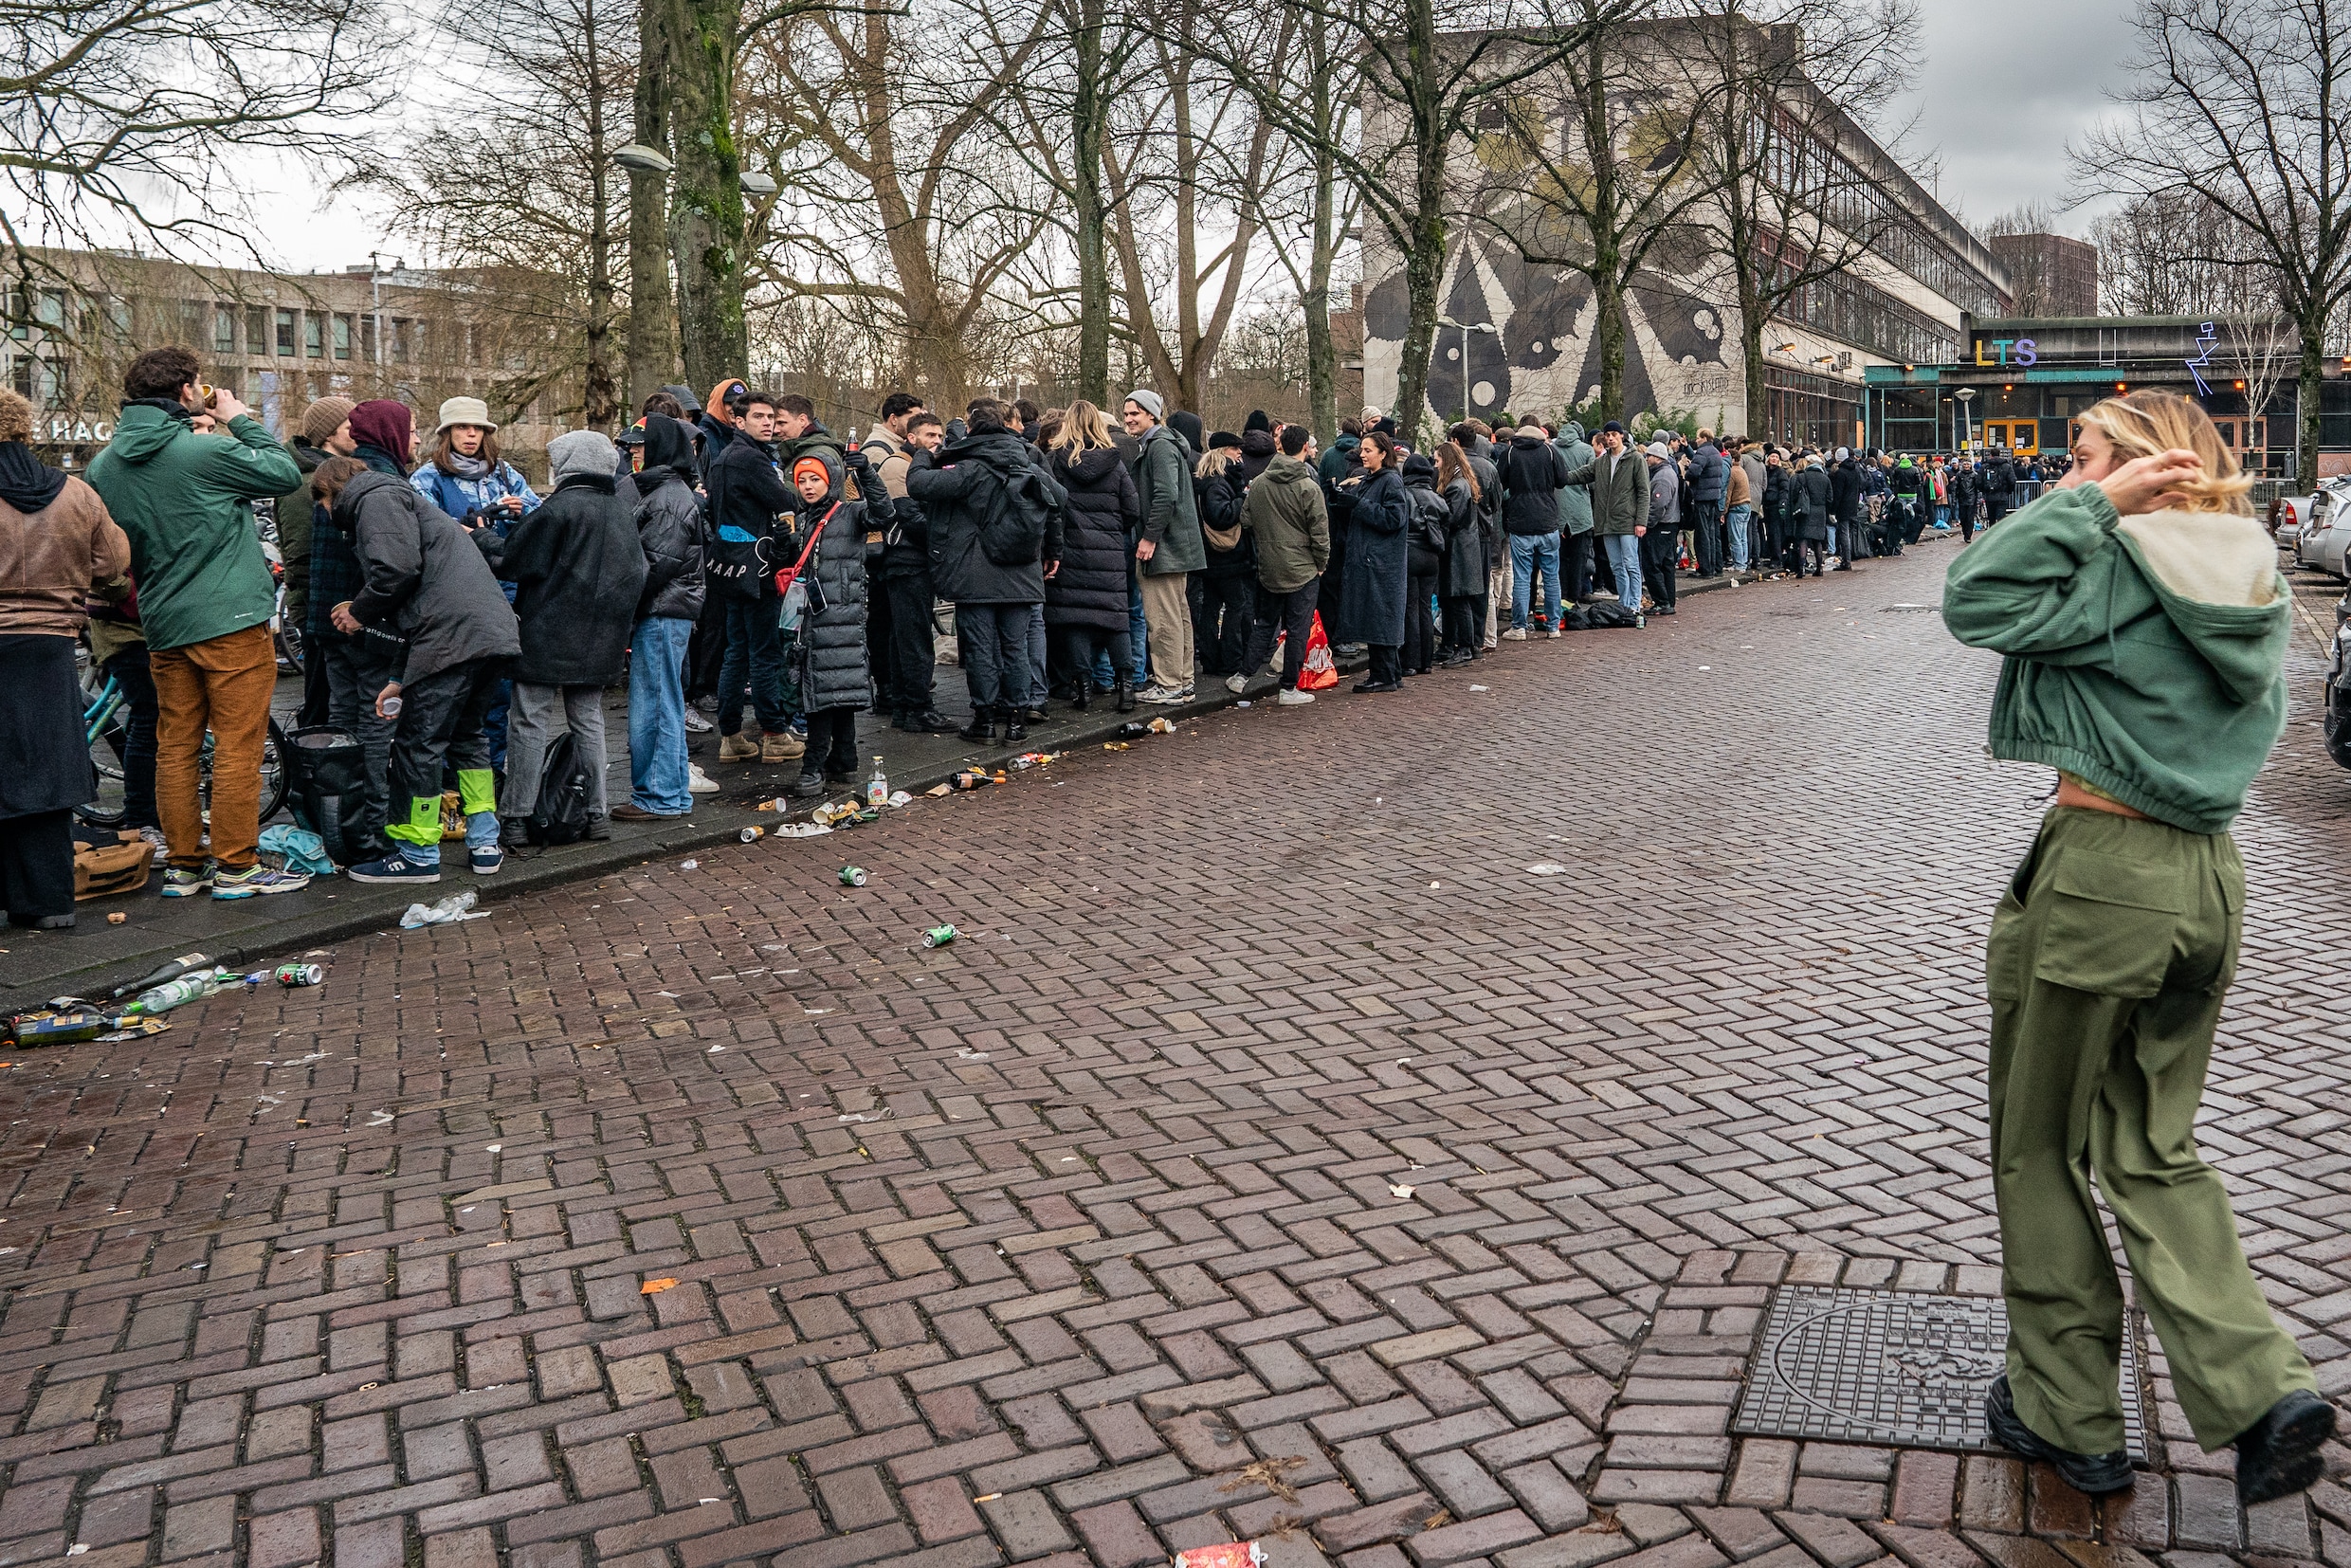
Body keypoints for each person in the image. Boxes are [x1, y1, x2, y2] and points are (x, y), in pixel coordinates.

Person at [1942, 389, 2334, 1505]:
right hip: (2206, 879)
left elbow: (1973, 596)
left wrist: (2084, 508)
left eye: (2085, 455)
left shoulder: (2120, 565)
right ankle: (2260, 1394)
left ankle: (2067, 1413)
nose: (2067, 474)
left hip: (2102, 867)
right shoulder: (2245, 566)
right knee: (2150, 1146)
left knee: (2035, 1145)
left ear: (2145, 466)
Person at [83, 346, 309, 899]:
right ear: (187, 392)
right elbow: (285, 473)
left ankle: (185, 864)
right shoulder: (200, 453)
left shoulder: (102, 466)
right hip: (230, 618)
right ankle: (237, 865)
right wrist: (239, 421)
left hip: (161, 620)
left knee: (175, 743)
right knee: (237, 744)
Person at [323, 461, 519, 884]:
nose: (324, 510)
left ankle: (417, 852)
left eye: (321, 500)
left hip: (450, 638)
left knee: (418, 745)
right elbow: (420, 599)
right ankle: (485, 842)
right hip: (487, 634)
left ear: (333, 490)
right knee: (468, 737)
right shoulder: (403, 499)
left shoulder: (374, 500)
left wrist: (358, 612)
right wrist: (398, 678)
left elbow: (397, 572)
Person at [475, 430, 645, 851]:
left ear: (568, 464)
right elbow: (639, 571)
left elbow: (515, 561)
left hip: (547, 633)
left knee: (529, 721)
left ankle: (516, 815)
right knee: (588, 720)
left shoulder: (560, 508)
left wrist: (480, 536)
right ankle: (596, 813)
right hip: (601, 635)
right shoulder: (621, 510)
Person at [0, 389, 131, 927]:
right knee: (46, 772)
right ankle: (50, 903)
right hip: (52, 645)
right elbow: (113, 563)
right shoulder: (76, 494)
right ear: (25, 430)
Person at [908, 398, 1063, 743]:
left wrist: (922, 451)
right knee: (1016, 647)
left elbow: (919, 485)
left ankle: (985, 721)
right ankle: (1017, 721)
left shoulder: (967, 467)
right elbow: (1057, 503)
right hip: (1022, 572)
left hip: (974, 573)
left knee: (980, 649)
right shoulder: (1028, 460)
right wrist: (1054, 551)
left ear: (972, 427)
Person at [706, 390, 804, 766]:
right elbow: (784, 502)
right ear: (739, 421)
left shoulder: (724, 459)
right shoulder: (752, 459)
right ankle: (774, 733)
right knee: (764, 652)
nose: (768, 423)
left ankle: (730, 735)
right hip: (759, 568)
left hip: (729, 565)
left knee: (737, 650)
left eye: (771, 417)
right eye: (759, 417)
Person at [622, 414, 706, 821]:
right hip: (669, 610)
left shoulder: (667, 498)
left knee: (655, 703)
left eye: (639, 445)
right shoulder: (668, 492)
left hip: (662, 610)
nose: (633, 452)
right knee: (665, 701)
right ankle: (670, 794)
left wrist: (621, 604)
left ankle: (658, 795)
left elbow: (655, 564)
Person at [785, 448, 875, 797]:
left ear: (832, 481)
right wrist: (783, 542)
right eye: (802, 481)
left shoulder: (850, 513)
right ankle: (843, 759)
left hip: (837, 617)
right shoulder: (805, 518)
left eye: (815, 480)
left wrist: (867, 475)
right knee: (837, 687)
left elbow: (884, 512)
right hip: (816, 617)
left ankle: (813, 767)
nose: (808, 486)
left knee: (823, 690)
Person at [1047, 399, 1141, 714]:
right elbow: (1132, 510)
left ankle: (1084, 690)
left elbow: (1050, 507)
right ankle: (1126, 688)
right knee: (1116, 620)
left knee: (1076, 621)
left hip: (1070, 551)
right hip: (1109, 552)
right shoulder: (1114, 464)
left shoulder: (1055, 463)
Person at [1234, 423, 1329, 705]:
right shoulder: (1308, 487)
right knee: (1298, 628)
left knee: (1265, 623)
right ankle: (1288, 687)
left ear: (1279, 446)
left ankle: (1242, 676)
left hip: (1269, 566)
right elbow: (1320, 532)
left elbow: (1246, 519)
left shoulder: (1260, 483)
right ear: (1304, 448)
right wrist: (1321, 563)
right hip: (1303, 567)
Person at [1123, 391, 1205, 703]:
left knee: (1163, 619)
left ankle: (1169, 684)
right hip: (1175, 546)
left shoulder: (1158, 448)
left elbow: (1165, 496)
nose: (1129, 419)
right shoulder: (1165, 446)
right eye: (1127, 413)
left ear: (1153, 416)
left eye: (1136, 413)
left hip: (1164, 548)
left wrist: (1149, 537)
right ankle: (1181, 681)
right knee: (1178, 615)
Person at [278, 395, 355, 723]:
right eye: (350, 426)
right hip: (321, 606)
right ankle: (309, 767)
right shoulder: (303, 482)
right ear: (328, 435)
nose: (358, 432)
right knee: (321, 698)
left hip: (335, 604)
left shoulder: (340, 473)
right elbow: (302, 554)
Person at [860, 392, 924, 722]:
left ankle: (891, 686)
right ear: (893, 419)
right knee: (884, 619)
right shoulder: (879, 451)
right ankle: (886, 686)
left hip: (883, 544)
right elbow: (871, 499)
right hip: (884, 546)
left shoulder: (891, 448)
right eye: (913, 415)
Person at [1338, 431, 1409, 691]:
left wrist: (1357, 505)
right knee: (1376, 616)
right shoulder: (1371, 480)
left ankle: (1385, 675)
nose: (1362, 455)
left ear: (1383, 453)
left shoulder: (1390, 481)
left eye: (1368, 450)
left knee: (1381, 617)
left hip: (1381, 563)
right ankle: (1387, 673)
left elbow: (1394, 519)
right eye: (1362, 450)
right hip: (1372, 560)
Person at [1562, 421, 1649, 616]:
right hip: (1607, 522)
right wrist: (1559, 477)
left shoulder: (1635, 459)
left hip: (1627, 521)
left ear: (1621, 436)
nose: (1610, 438)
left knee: (1631, 564)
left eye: (1614, 435)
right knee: (1617, 565)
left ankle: (1634, 604)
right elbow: (1582, 474)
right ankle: (1624, 603)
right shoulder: (1601, 462)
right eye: (1607, 435)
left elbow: (1644, 492)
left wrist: (1641, 521)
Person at [409, 397, 539, 526]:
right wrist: (468, 523)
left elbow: (540, 516)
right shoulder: (427, 478)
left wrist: (520, 511)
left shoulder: (502, 472)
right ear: (447, 432)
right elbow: (426, 527)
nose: (471, 433)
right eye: (462, 427)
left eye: (478, 427)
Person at [1499, 416, 1567, 638]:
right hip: (1547, 519)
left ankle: (1519, 626)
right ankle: (1553, 626)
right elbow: (1562, 480)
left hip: (1521, 521)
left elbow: (1501, 481)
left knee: (1522, 576)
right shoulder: (1549, 451)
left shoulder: (1510, 453)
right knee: (1551, 576)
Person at [1193, 434, 1254, 678]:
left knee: (1210, 607)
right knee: (1235, 605)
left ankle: (1211, 659)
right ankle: (1230, 659)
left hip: (1211, 557)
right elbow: (1221, 515)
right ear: (1223, 451)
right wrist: (1242, 499)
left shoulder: (1206, 479)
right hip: (1227, 558)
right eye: (1235, 448)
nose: (1240, 453)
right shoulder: (1217, 483)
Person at [1435, 441, 1486, 663]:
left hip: (1457, 550)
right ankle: (1455, 645)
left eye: (1437, 460)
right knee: (1452, 600)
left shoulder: (1456, 486)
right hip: (1462, 549)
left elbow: (1451, 518)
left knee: (1458, 600)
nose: (1435, 465)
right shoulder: (1463, 483)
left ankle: (1464, 646)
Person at [1400, 452, 1445, 675]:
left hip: (1409, 553)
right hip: (1431, 556)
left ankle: (1410, 660)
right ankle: (1426, 660)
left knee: (1410, 606)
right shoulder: (1436, 497)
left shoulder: (1403, 494)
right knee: (1426, 606)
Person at [1550, 419, 1595, 607]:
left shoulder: (1552, 450)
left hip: (1557, 510)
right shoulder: (1586, 450)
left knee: (1559, 559)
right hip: (1581, 514)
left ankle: (1561, 597)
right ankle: (1575, 598)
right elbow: (1593, 482)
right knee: (1579, 559)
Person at [1640, 439, 1681, 613]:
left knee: (1652, 565)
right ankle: (1668, 601)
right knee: (1666, 565)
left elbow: (1658, 505)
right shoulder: (1668, 472)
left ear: (1657, 457)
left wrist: (1647, 523)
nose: (1647, 459)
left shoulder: (1662, 477)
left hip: (1661, 526)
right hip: (1669, 525)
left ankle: (1662, 601)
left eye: (1649, 456)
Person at [1686, 428, 1727, 576]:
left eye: (1698, 438)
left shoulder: (1703, 452)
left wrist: (1687, 470)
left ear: (1703, 438)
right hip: (1713, 497)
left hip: (1702, 496)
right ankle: (1716, 566)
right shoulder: (1716, 453)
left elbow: (1694, 472)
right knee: (1711, 533)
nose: (1696, 440)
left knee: (1702, 535)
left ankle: (1705, 569)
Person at [1791, 453, 1832, 576]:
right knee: (1817, 541)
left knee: (1803, 539)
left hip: (1805, 511)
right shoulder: (1825, 478)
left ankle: (1801, 568)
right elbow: (1830, 498)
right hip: (1820, 511)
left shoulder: (1802, 477)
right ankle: (1819, 568)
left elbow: (1794, 494)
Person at [1829, 447, 1864, 571]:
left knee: (1844, 533)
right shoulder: (1855, 470)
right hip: (1852, 505)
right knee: (1848, 532)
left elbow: (1838, 494)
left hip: (1843, 507)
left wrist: (1833, 510)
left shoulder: (1840, 473)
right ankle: (1847, 558)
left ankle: (1846, 561)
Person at [1722, 444, 1755, 574]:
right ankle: (1744, 563)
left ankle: (1739, 564)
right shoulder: (1742, 471)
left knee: (1735, 538)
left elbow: (1728, 494)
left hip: (1736, 507)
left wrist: (1723, 511)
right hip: (1747, 505)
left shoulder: (1732, 472)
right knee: (1743, 538)